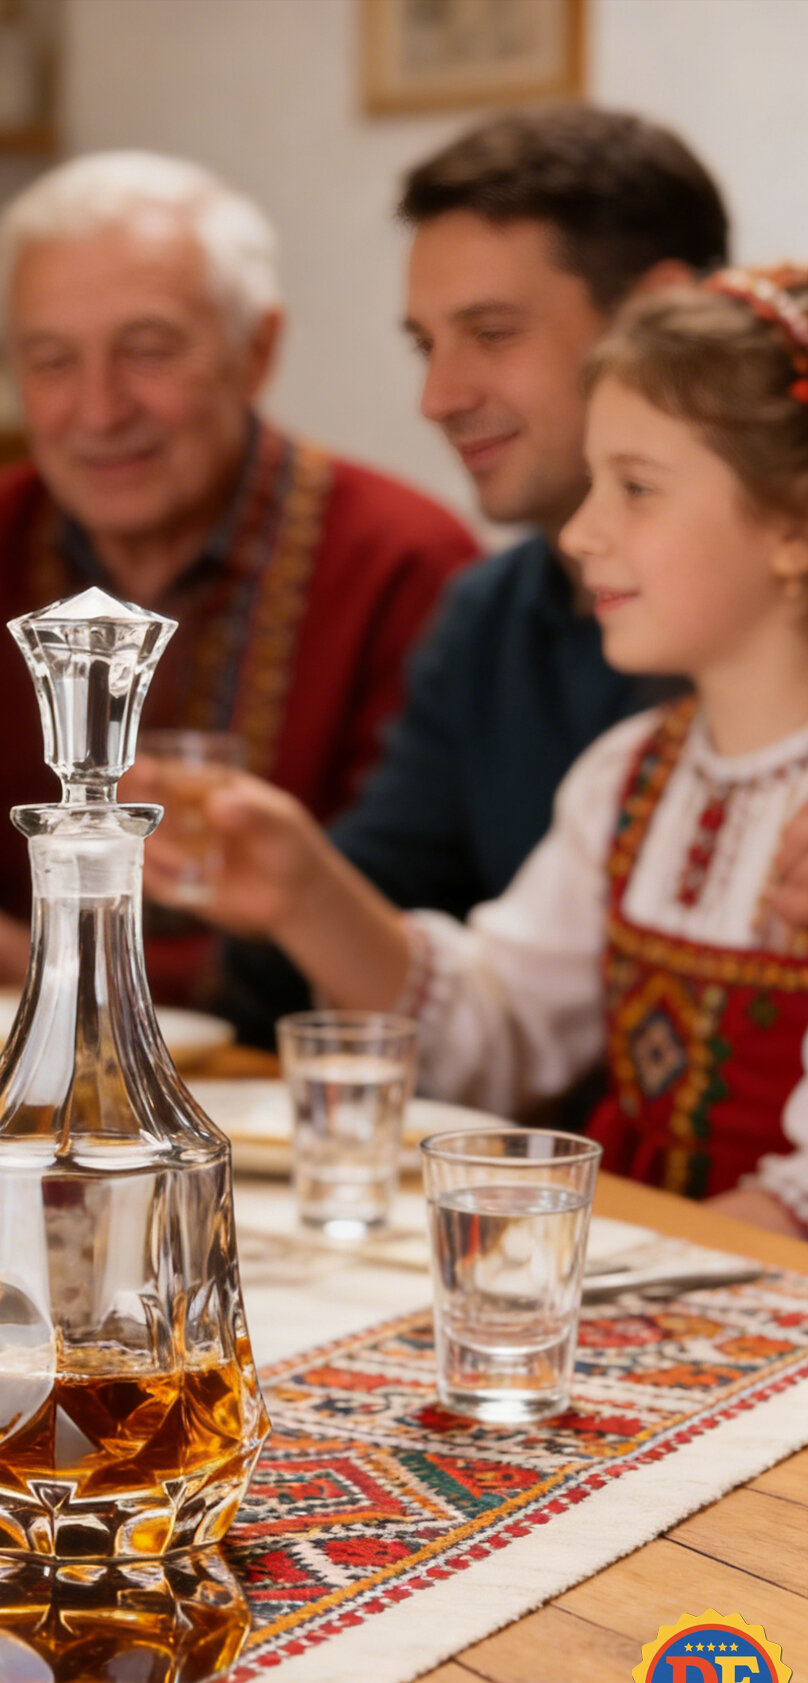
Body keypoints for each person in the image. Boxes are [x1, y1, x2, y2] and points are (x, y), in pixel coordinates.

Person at [141, 268, 808, 1238]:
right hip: (651, 1270)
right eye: (593, 482)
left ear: (792, 525)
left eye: (635, 488)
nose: (581, 531)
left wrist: (580, 1269)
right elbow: (500, 1033)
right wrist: (307, 895)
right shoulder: (630, 776)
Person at [0, 151, 479, 995]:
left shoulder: (409, 570)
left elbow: (420, 940)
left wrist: (53, 969)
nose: (98, 410)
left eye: (148, 351)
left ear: (257, 351)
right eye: (51, 361)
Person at [219, 106, 731, 1038]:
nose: (437, 397)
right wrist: (253, 880)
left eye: (491, 333)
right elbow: (412, 925)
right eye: (426, 345)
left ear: (659, 319)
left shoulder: (761, 624)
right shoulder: (488, 612)